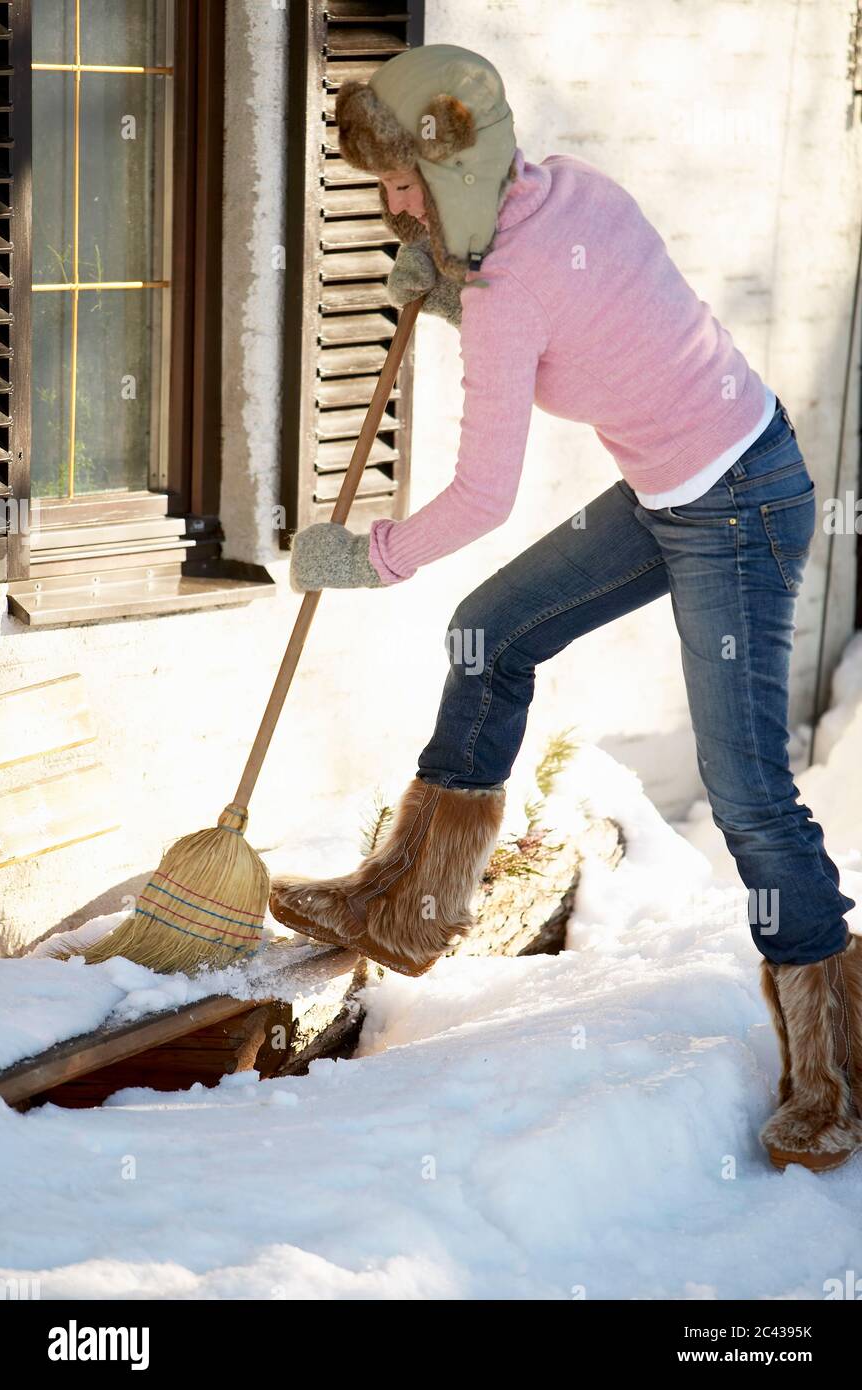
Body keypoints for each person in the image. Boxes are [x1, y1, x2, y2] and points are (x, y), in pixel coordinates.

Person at [270, 43, 862, 1172]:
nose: (393, 209)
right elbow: (591, 314)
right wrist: (444, 291)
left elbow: (483, 494)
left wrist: (366, 555)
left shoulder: (508, 286)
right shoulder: (566, 194)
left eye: (403, 187)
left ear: (451, 171)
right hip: (676, 483)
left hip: (738, 503)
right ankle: (411, 902)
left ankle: (837, 1071)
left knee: (748, 795)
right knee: (489, 634)